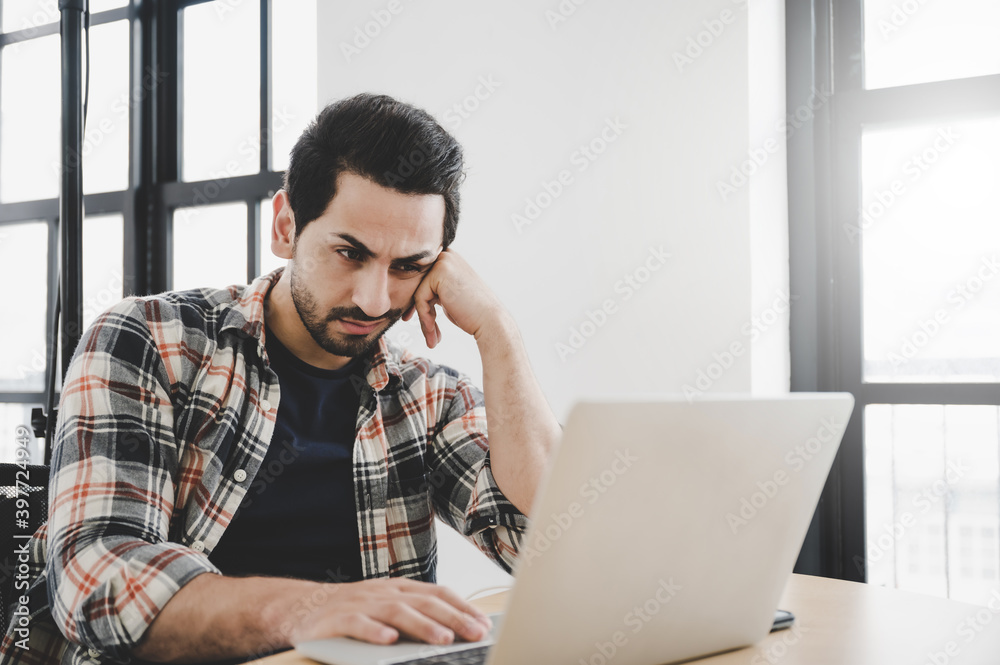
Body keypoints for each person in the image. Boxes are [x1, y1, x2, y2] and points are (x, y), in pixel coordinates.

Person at [0, 93, 561, 665]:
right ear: (286, 225)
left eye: (407, 267)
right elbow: (96, 579)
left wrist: (499, 333)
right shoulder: (150, 341)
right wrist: (309, 611)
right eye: (349, 253)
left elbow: (560, 545)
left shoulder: (428, 397)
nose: (374, 300)